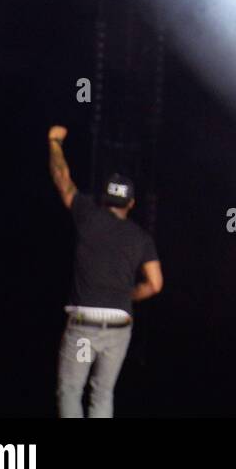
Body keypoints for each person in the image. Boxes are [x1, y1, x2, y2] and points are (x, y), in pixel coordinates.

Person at [47, 125, 162, 417]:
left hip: (85, 327)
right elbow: (155, 284)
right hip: (118, 325)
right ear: (131, 204)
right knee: (103, 393)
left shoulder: (88, 214)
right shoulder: (141, 238)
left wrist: (54, 142)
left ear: (104, 198)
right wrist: (129, 295)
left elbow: (62, 179)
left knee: (72, 390)